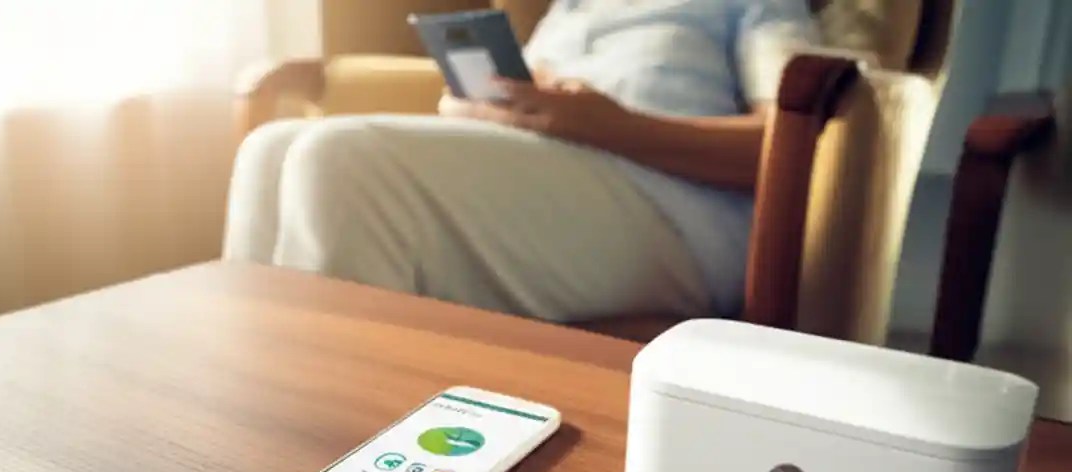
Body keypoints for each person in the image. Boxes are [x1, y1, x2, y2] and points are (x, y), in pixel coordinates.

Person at [223, 0, 819, 322]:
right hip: (547, 181)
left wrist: (616, 126)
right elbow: (535, 106)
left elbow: (799, 138)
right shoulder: (572, 9)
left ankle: (345, 450)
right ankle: (254, 423)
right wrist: (478, 107)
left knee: (339, 159)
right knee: (270, 149)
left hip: (672, 211)